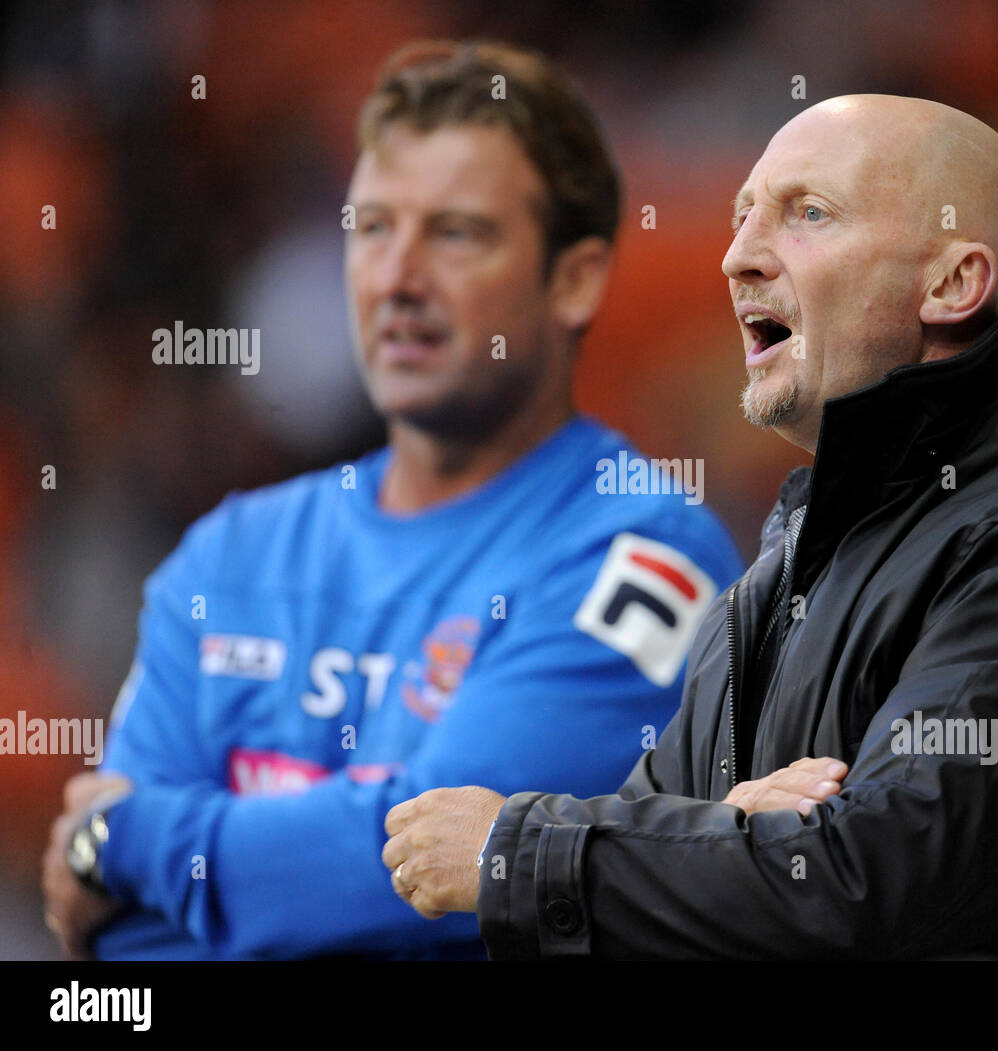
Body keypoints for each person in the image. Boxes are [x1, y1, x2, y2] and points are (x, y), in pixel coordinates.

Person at [381, 94, 998, 959]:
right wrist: (725, 831)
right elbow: (668, 923)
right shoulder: (774, 577)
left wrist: (517, 850)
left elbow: (871, 893)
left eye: (808, 214)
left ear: (952, 283)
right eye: (741, 215)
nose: (736, 257)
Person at [39, 39, 743, 961]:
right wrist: (197, 884)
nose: (397, 278)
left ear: (574, 277)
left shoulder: (646, 555)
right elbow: (116, 944)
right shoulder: (231, 552)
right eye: (371, 227)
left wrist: (122, 842)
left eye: (455, 232)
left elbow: (444, 879)